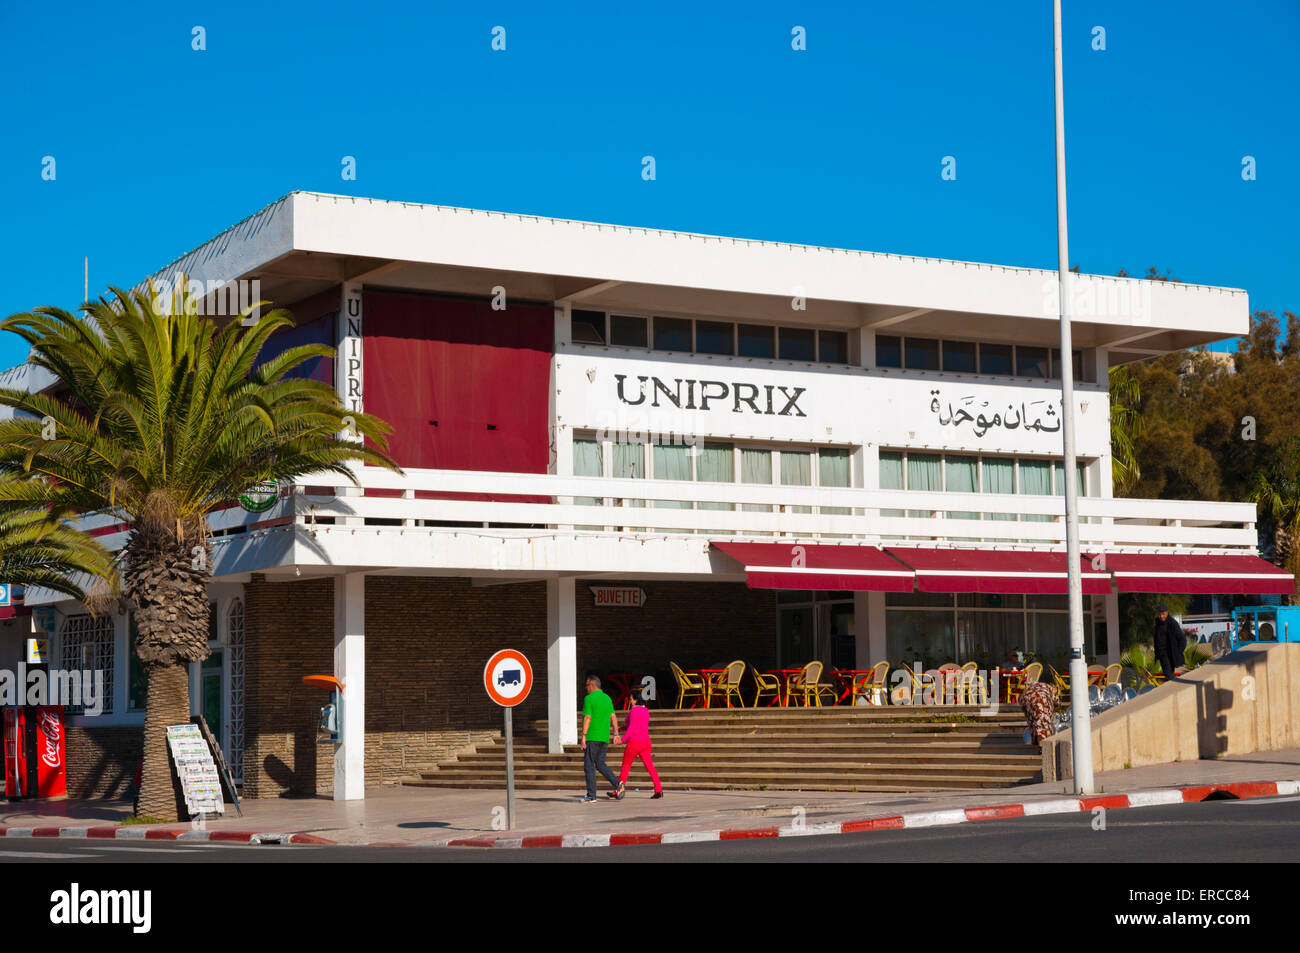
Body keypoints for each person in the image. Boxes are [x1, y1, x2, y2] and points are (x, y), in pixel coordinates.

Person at [610, 700, 663, 799]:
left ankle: (619, 790)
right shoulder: (646, 710)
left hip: (634, 742)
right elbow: (637, 725)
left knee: (625, 767)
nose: (630, 700)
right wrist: (621, 728)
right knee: (650, 767)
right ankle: (659, 790)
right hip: (645, 742)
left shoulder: (634, 710)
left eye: (631, 698)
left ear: (635, 699)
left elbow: (632, 727)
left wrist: (623, 740)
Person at [580, 674, 621, 803]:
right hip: (604, 738)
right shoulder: (607, 698)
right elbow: (613, 717)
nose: (586, 688)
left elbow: (587, 718)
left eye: (587, 685)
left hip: (592, 737)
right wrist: (616, 734)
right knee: (600, 763)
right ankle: (618, 784)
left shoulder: (589, 698)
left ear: (592, 685)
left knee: (589, 766)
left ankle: (591, 795)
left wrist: (583, 736)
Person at [1020, 681, 1059, 745]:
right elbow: (1057, 701)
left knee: (1034, 724)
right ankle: (1042, 746)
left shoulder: (1029, 689)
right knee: (1043, 726)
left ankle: (1036, 742)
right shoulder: (1047, 686)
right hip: (1041, 701)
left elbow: (1023, 707)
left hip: (1026, 699)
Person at [1152, 604, 1185, 680]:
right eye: (1159, 614)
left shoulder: (1172, 623)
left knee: (1169, 676)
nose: (1161, 616)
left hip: (1170, 654)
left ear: (1167, 613)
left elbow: (1182, 639)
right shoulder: (1157, 623)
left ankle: (1173, 689)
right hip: (1162, 654)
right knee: (1168, 675)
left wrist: (1178, 653)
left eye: (1163, 614)